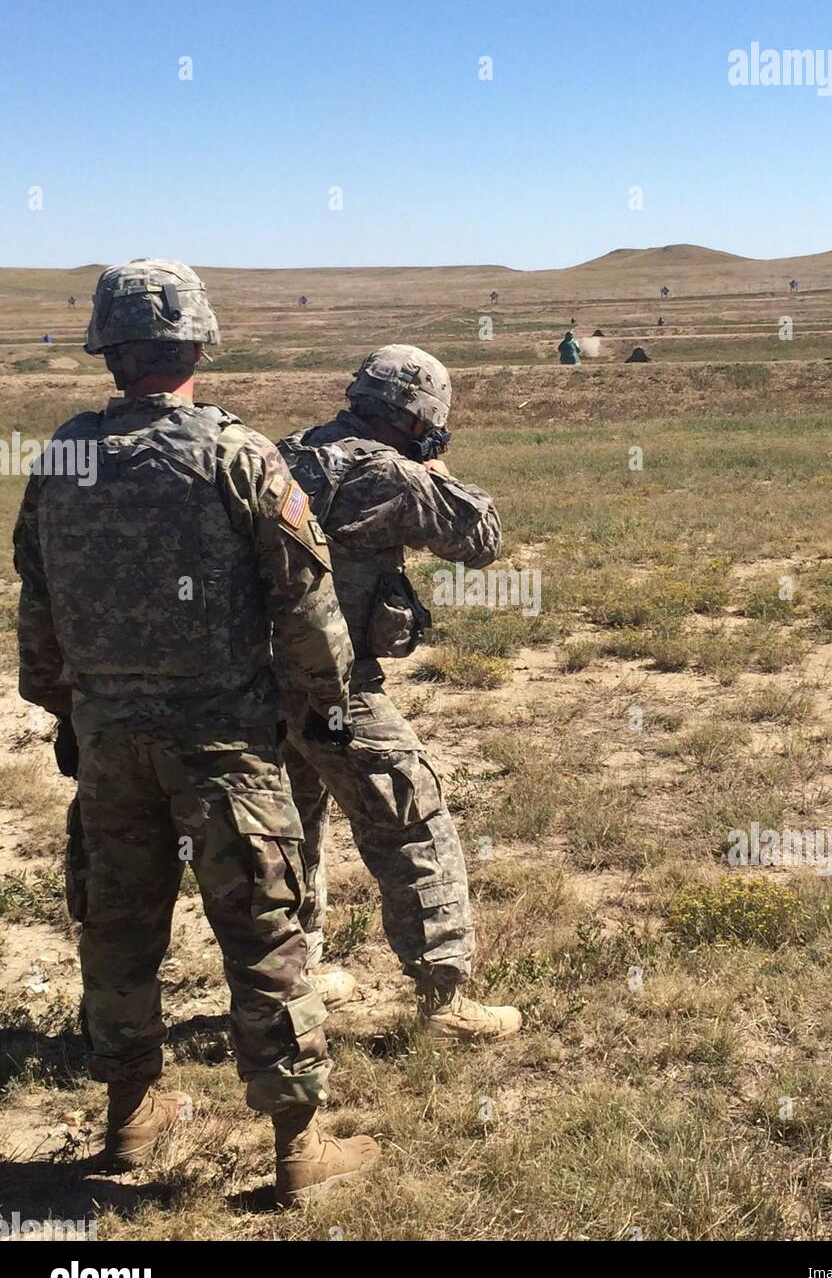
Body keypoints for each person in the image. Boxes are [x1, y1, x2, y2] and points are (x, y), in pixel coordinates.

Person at [13, 258, 377, 1206]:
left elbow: (37, 611)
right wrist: (321, 711)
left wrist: (74, 712)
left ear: (111, 347)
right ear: (197, 343)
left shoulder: (62, 457)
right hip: (224, 747)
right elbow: (306, 606)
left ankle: (130, 1117)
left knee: (117, 930)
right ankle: (297, 1152)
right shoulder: (239, 455)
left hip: (109, 747)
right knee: (264, 932)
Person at [277, 345, 521, 1041]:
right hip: (335, 688)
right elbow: (481, 538)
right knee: (413, 818)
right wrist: (432, 468)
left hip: (256, 683)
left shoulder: (285, 454)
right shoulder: (385, 471)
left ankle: (299, 974)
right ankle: (444, 1001)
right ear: (422, 418)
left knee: (293, 828)